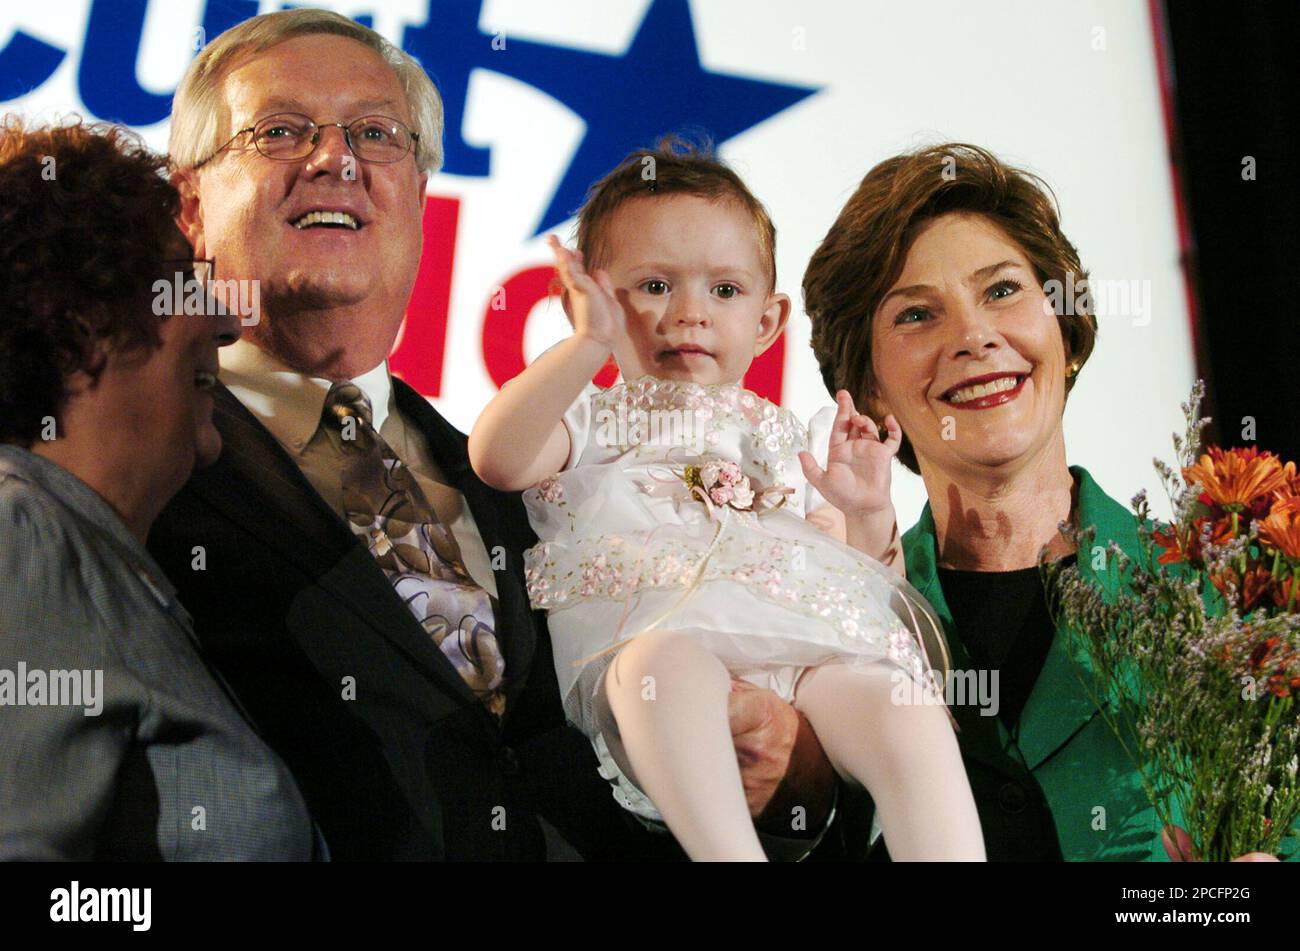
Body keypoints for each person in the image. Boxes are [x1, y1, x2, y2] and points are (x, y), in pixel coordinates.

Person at [147, 8, 841, 861]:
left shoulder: (542, 478)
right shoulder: (135, 463)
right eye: (282, 131)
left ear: (418, 198)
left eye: (376, 133)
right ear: (189, 207)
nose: (336, 159)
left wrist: (795, 775)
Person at [469, 142, 986, 861]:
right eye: (652, 287)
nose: (688, 315)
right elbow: (497, 456)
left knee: (908, 714)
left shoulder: (776, 433)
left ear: (769, 321)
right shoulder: (594, 419)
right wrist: (588, 348)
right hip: (656, 653)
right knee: (662, 671)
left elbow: (851, 584)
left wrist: (864, 509)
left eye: (724, 291)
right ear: (584, 300)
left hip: (804, 665)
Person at [802, 142, 1282, 861]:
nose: (973, 337)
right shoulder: (838, 621)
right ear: (868, 390)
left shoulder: (1229, 591)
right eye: (916, 315)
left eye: (1001, 291)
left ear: (1065, 329)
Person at [0, 115, 320, 860]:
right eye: (185, 280)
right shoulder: (22, 534)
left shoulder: (116, 568)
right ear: (81, 327)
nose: (228, 322)